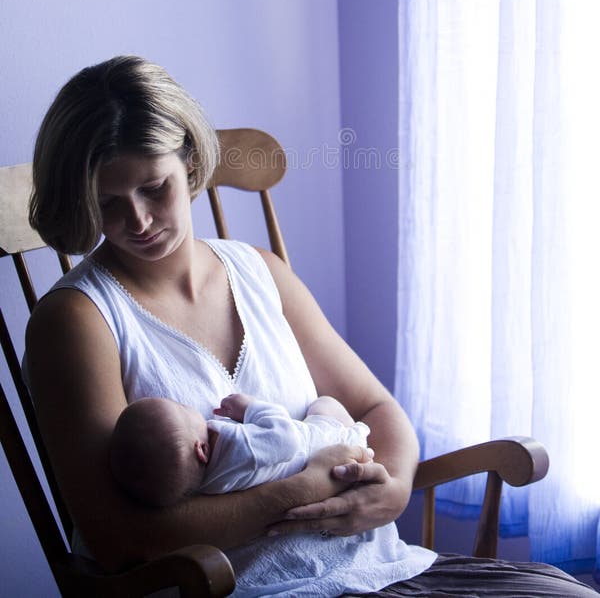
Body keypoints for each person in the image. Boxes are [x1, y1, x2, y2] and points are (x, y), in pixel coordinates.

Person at [25, 56, 595, 597]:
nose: (139, 221)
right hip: (237, 587)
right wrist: (303, 490)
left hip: (378, 568)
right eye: (110, 203)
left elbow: (374, 407)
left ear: (191, 164)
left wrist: (393, 490)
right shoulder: (77, 322)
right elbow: (118, 537)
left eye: (154, 188)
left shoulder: (259, 273)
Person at [109, 392, 372, 507]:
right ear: (201, 449)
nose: (190, 408)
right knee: (324, 404)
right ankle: (360, 440)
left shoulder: (205, 485)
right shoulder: (233, 446)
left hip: (320, 467)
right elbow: (285, 438)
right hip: (323, 442)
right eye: (184, 410)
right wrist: (250, 408)